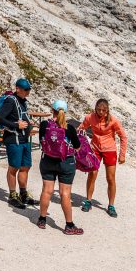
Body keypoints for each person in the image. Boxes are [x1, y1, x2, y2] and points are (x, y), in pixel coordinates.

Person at [37, 100, 84, 234]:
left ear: (52, 110)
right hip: (66, 163)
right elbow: (77, 146)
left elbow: (41, 140)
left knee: (47, 190)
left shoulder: (45, 124)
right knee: (65, 193)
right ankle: (69, 225)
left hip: (47, 161)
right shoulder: (69, 128)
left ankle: (42, 219)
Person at [79, 98, 128, 217]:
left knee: (110, 178)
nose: (101, 112)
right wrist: (81, 144)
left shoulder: (113, 120)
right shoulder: (90, 117)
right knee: (92, 174)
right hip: (95, 148)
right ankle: (88, 201)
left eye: (103, 110)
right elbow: (81, 129)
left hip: (109, 149)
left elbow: (123, 137)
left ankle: (111, 205)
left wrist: (122, 155)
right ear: (95, 109)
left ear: (107, 110)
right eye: (99, 110)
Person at [0, 78, 35, 209]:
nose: (28, 92)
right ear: (18, 89)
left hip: (24, 139)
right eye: (26, 90)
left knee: (25, 166)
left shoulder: (23, 101)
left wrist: (29, 124)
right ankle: (12, 195)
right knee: (14, 167)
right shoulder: (10, 101)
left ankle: (23, 193)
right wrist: (15, 125)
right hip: (14, 139)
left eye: (29, 89)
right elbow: (0, 117)